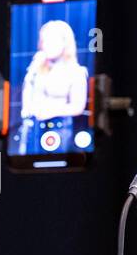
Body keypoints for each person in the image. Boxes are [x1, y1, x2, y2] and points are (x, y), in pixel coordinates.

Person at [17, 19, 88, 154]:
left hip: (59, 130)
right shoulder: (37, 68)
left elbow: (78, 106)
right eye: (44, 41)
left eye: (51, 41)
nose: (45, 46)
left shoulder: (76, 72)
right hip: (33, 128)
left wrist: (50, 111)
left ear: (64, 43)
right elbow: (27, 91)